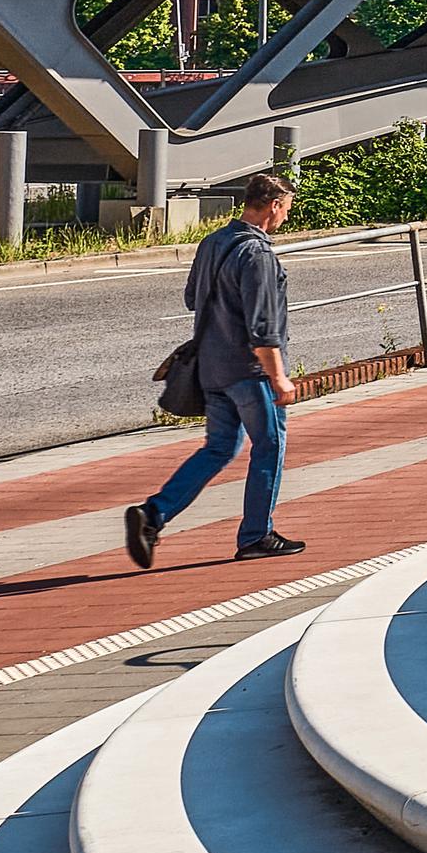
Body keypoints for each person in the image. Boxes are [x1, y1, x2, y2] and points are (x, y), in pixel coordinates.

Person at [126, 173, 303, 566]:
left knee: (220, 447)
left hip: (212, 366)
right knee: (270, 446)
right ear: (274, 205)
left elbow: (193, 298)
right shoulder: (258, 255)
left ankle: (153, 514)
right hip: (249, 371)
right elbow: (263, 327)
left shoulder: (214, 242)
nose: (286, 218)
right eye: (286, 209)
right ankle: (257, 535)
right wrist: (278, 377)